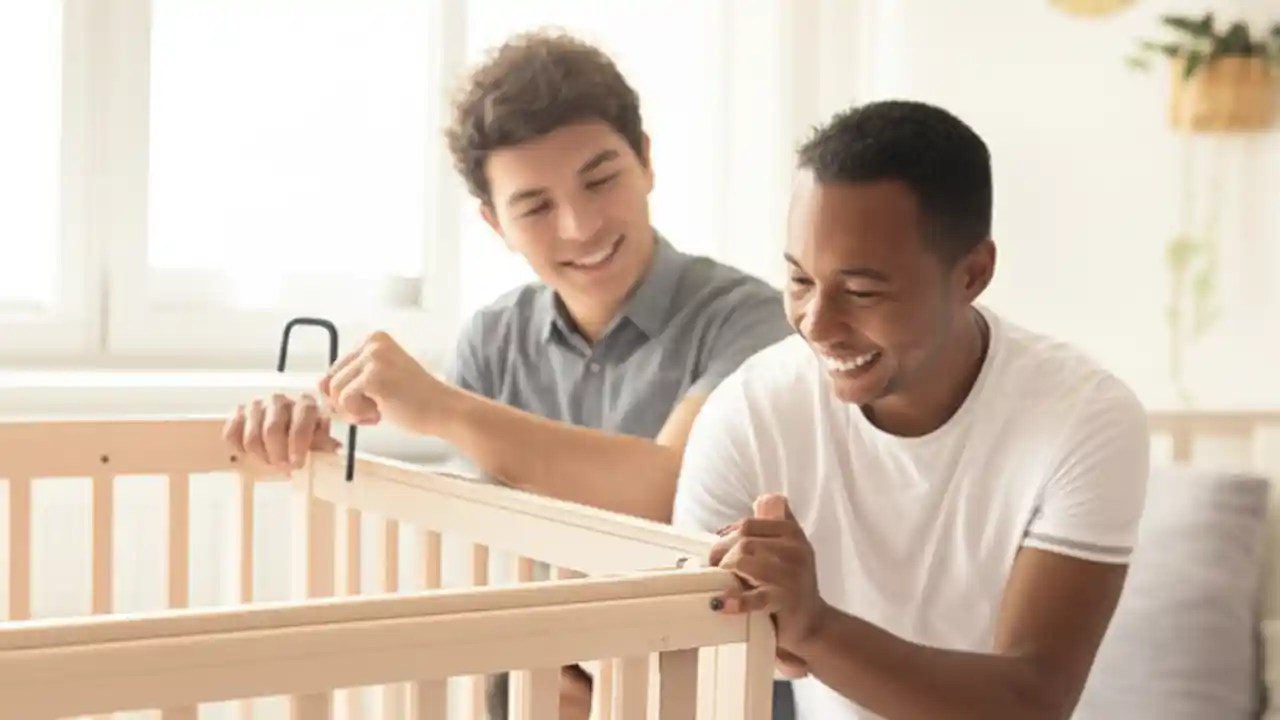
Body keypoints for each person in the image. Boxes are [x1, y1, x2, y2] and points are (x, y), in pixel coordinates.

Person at [221, 31, 795, 719]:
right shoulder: (495, 337)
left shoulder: (749, 318)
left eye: (600, 178)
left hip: (724, 674)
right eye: (535, 206)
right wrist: (313, 429)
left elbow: (668, 489)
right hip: (561, 673)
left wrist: (445, 407)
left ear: (645, 161)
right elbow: (464, 526)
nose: (581, 226)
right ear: (496, 224)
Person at [672, 100, 1150, 720]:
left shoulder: (1083, 418)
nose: (817, 325)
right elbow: (694, 644)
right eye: (799, 281)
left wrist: (811, 627)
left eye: (863, 292)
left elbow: (1031, 700)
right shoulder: (749, 410)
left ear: (973, 273)